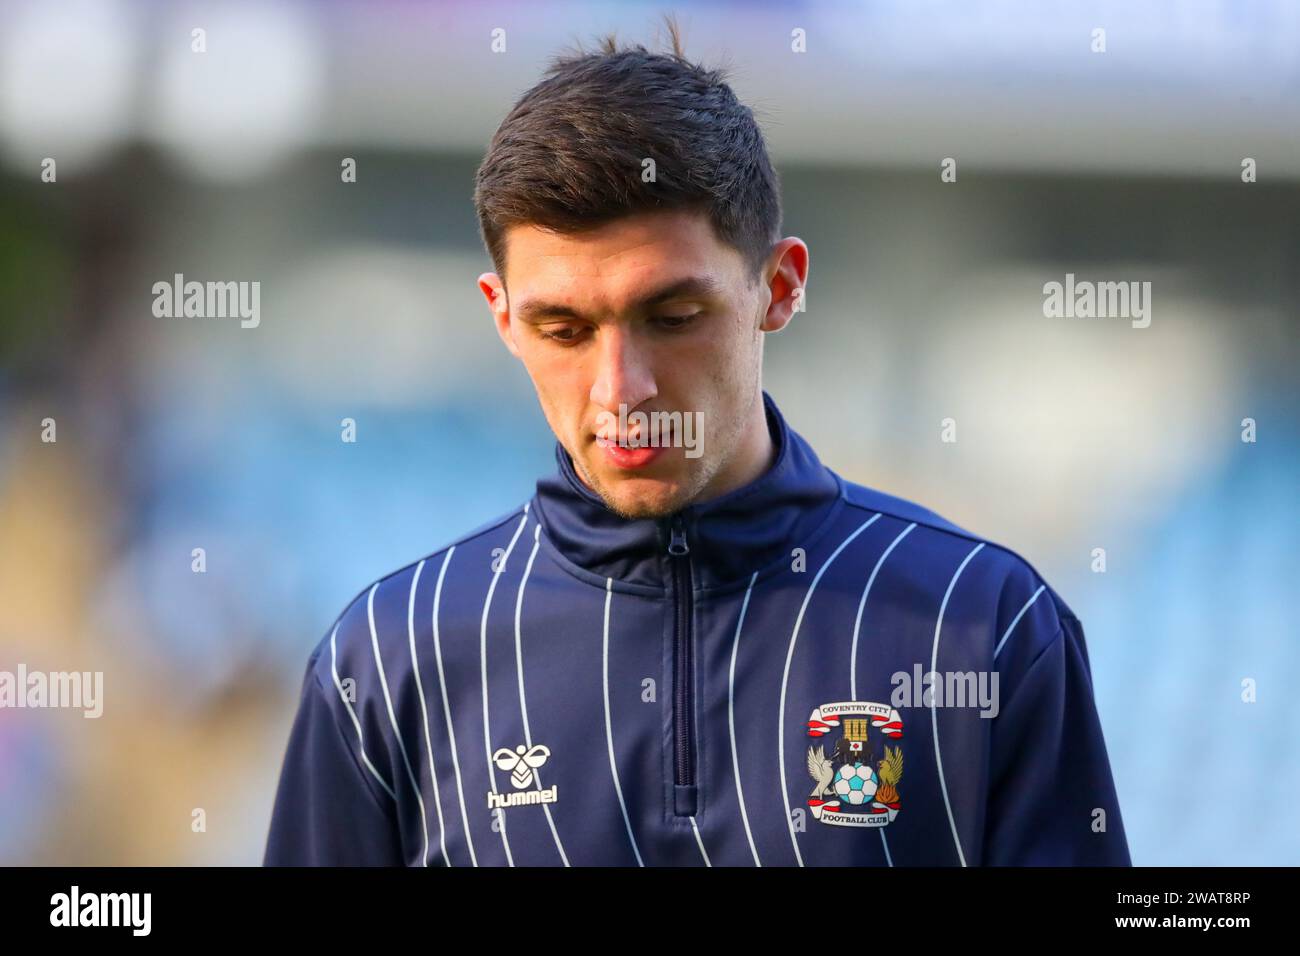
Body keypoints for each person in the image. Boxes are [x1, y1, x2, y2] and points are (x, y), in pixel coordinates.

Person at [264, 21, 1130, 867]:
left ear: (778, 288)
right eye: (562, 330)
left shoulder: (984, 626)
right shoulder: (386, 660)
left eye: (673, 319)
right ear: (502, 318)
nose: (621, 390)